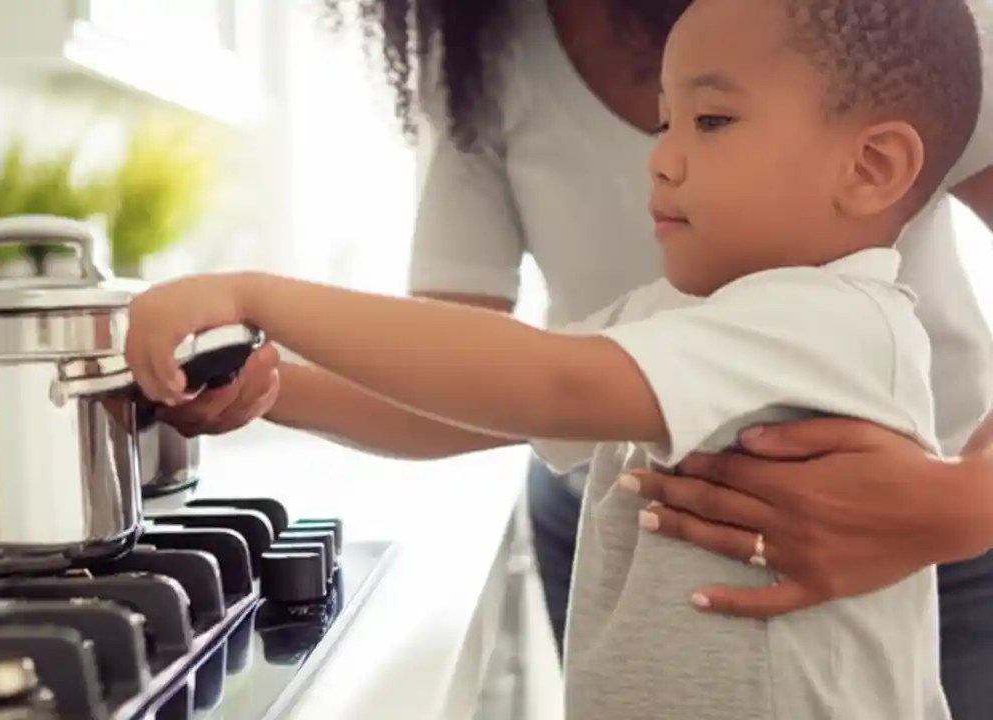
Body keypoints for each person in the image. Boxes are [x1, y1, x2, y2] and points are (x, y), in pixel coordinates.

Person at [126, 0, 979, 716]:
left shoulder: (826, 316)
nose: (663, 157)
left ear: (871, 166)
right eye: (664, 121)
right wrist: (267, 387)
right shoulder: (680, 315)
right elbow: (473, 393)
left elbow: (543, 383)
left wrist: (263, 299)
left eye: (710, 122)